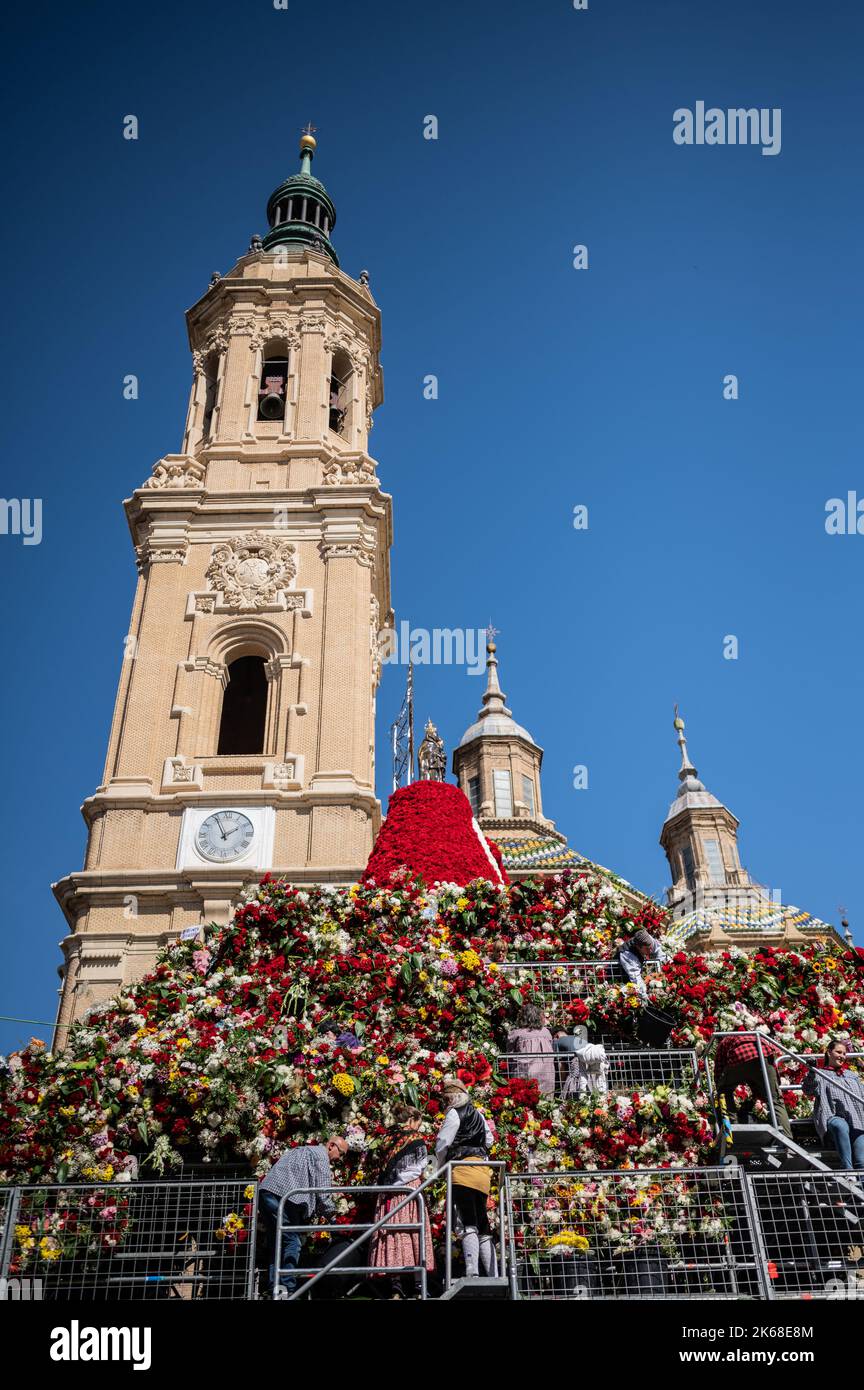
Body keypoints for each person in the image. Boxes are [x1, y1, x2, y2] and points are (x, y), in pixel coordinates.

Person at [258, 1135, 348, 1294]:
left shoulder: (305, 1151)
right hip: (282, 1197)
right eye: (341, 1153)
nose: (340, 1159)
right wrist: (334, 1220)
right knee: (293, 1242)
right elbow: (323, 1193)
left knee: (277, 1243)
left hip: (269, 1193)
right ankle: (288, 1289)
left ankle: (276, 1289)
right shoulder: (321, 1156)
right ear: (331, 1146)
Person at [368, 1104, 435, 1298]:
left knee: (392, 1235)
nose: (418, 1128)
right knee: (414, 1233)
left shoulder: (387, 1138)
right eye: (419, 1123)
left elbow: (379, 1167)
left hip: (387, 1192)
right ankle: (419, 1286)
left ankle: (396, 1286)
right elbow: (420, 1168)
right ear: (412, 1120)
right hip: (408, 1192)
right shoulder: (415, 1139)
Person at [433, 1078, 497, 1280]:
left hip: (461, 1171)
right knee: (483, 1225)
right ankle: (493, 1274)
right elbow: (489, 1139)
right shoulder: (477, 1113)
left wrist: (440, 1166)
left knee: (466, 1222)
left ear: (450, 1098)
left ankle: (472, 1271)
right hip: (481, 1172)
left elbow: (442, 1143)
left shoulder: (454, 1113)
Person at [714, 1031, 793, 1140]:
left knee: (724, 1090)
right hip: (764, 1055)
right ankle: (787, 1139)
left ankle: (733, 1126)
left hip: (739, 1056)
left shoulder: (724, 1041)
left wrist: (719, 1085)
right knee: (775, 1099)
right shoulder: (755, 1035)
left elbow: (719, 1071)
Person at [802, 1037, 864, 1171]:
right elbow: (808, 1090)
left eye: (844, 1053)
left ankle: (859, 1190)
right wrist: (812, 1071)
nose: (842, 1056)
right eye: (838, 1052)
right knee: (840, 1126)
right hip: (833, 1117)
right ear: (829, 1053)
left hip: (857, 1120)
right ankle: (848, 1171)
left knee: (862, 1160)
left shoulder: (851, 1075)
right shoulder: (820, 1073)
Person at [507, 1003, 556, 1095]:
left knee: (524, 1102)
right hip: (546, 1073)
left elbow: (510, 1052)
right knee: (546, 1102)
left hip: (525, 1072)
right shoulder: (546, 1032)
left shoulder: (517, 1033)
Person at [617, 929, 665, 999]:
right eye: (647, 949)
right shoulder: (627, 954)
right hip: (620, 976)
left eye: (651, 947)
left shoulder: (648, 939)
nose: (651, 950)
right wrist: (646, 997)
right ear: (638, 947)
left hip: (639, 970)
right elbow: (636, 978)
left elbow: (660, 954)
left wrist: (662, 972)